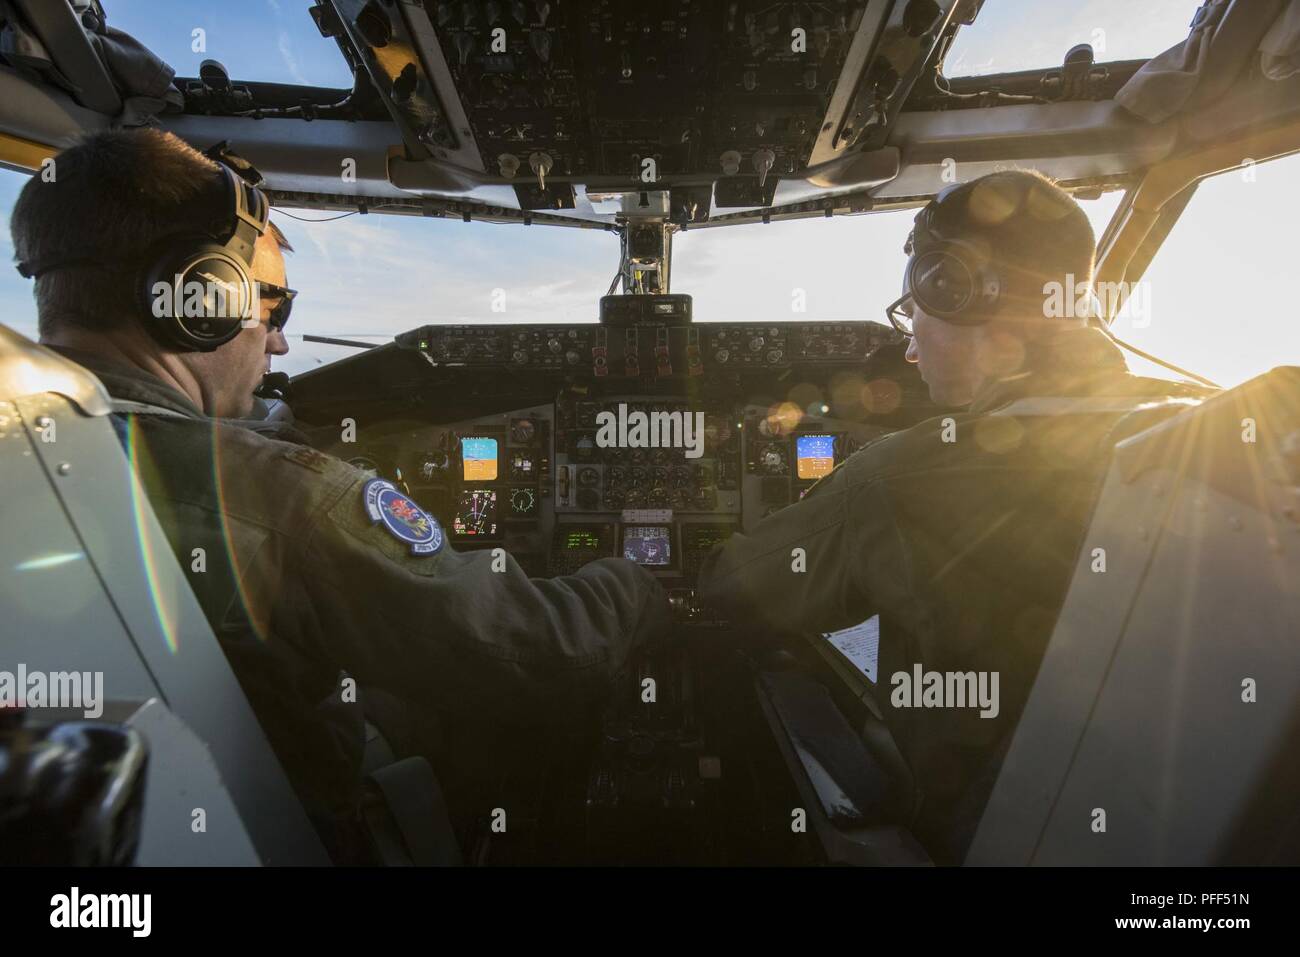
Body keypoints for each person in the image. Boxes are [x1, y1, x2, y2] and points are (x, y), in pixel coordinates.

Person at [10, 128, 670, 860]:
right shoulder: (278, 497)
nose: (280, 344)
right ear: (200, 297)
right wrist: (639, 584)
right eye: (274, 307)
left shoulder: (30, 455)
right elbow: (541, 651)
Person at [697, 170, 1210, 862]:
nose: (909, 349)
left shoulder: (900, 476)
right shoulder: (1209, 430)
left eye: (916, 313)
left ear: (955, 290)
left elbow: (735, 590)